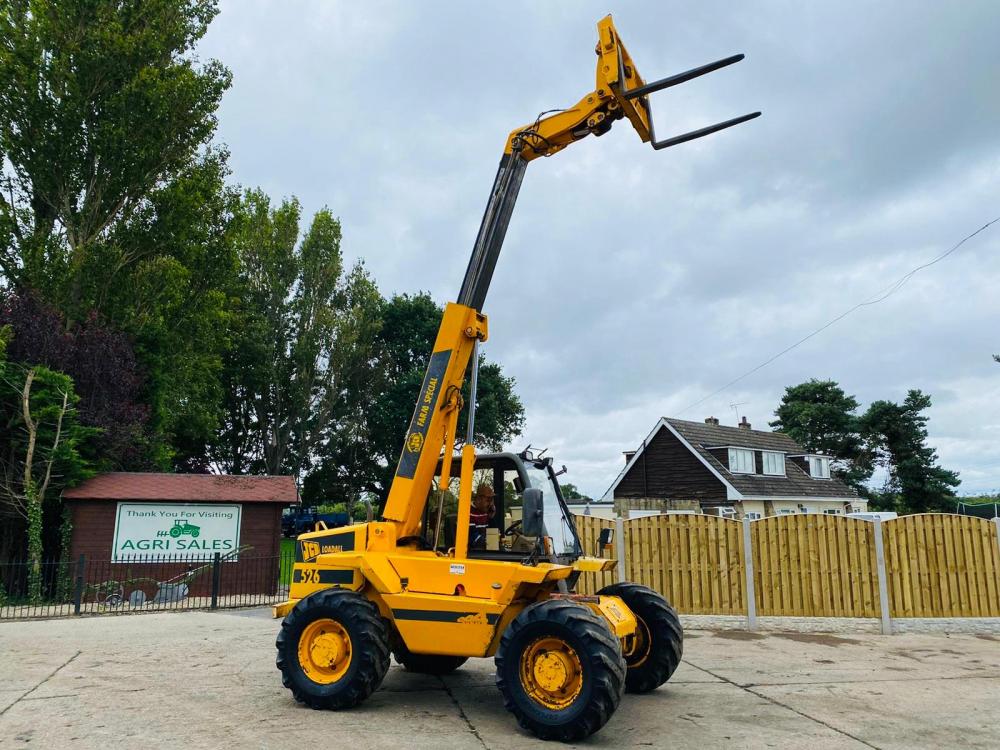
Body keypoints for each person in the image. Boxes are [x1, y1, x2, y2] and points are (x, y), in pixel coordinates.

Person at [469, 483, 496, 549]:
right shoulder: (469, 513)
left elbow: (492, 532)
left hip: (483, 548)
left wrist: (491, 517)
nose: (491, 504)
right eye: (488, 500)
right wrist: (492, 541)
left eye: (492, 500)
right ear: (478, 500)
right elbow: (474, 539)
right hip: (474, 552)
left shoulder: (485, 512)